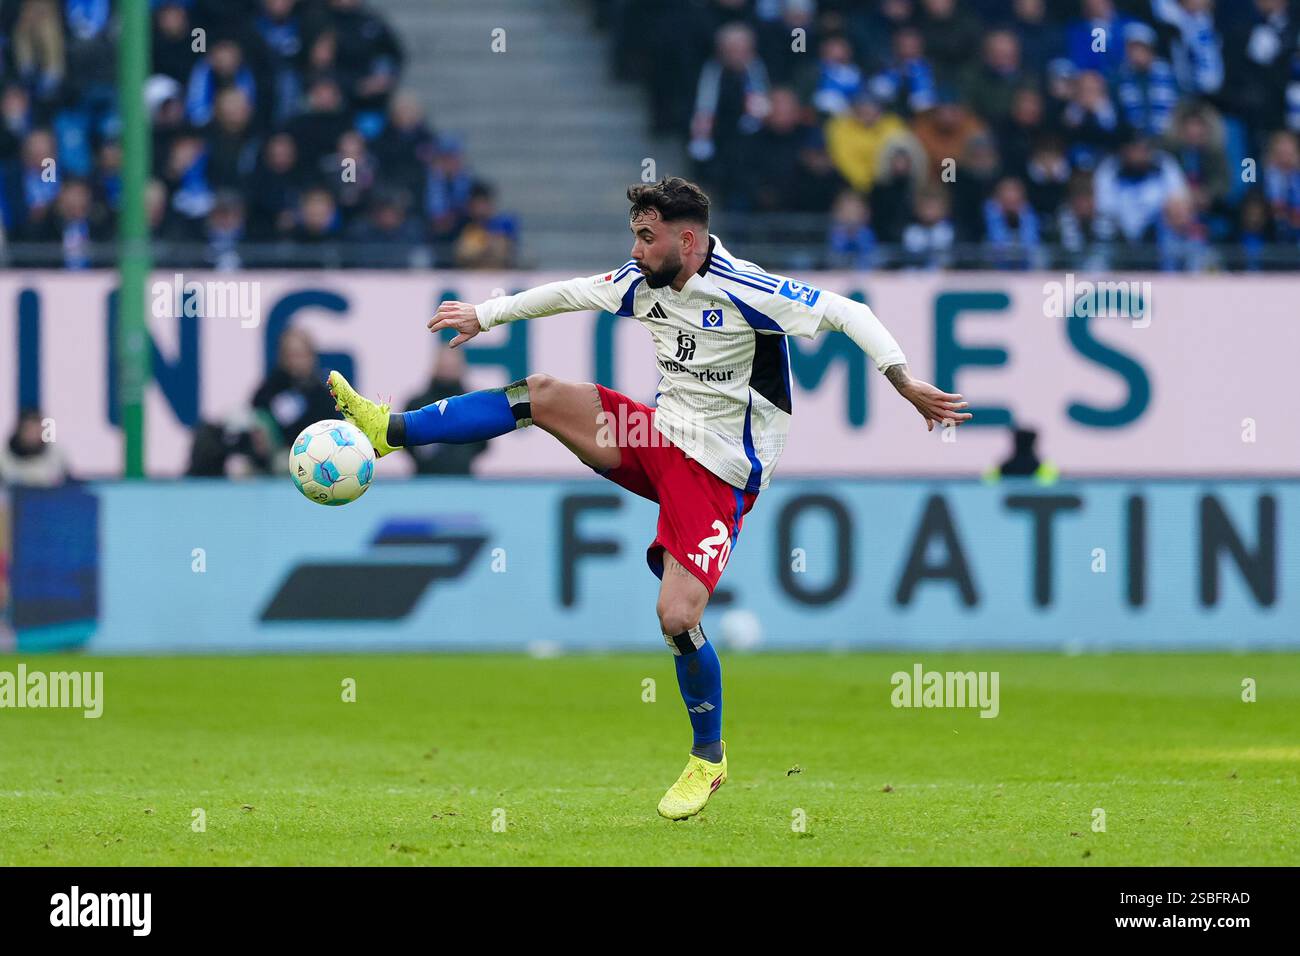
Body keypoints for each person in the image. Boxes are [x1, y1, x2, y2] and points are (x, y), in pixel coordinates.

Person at [326, 177, 971, 821]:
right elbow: (574, 292)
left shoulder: (749, 290)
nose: (635, 250)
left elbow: (847, 312)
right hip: (655, 436)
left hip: (720, 468)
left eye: (645, 236)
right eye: (634, 234)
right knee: (543, 394)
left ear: (686, 239)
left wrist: (903, 380)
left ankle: (708, 758)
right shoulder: (644, 283)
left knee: (675, 616)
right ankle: (388, 433)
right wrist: (483, 314)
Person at [251, 327, 338, 451]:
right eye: (290, 356)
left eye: (300, 355)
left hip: (310, 454)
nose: (295, 362)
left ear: (311, 357)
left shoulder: (323, 393)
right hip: (272, 454)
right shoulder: (272, 387)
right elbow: (257, 413)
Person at [0, 409, 67, 487]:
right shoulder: (3, 460)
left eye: (37, 431)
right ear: (20, 431)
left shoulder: (56, 455)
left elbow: (67, 483)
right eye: (29, 430)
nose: (33, 436)